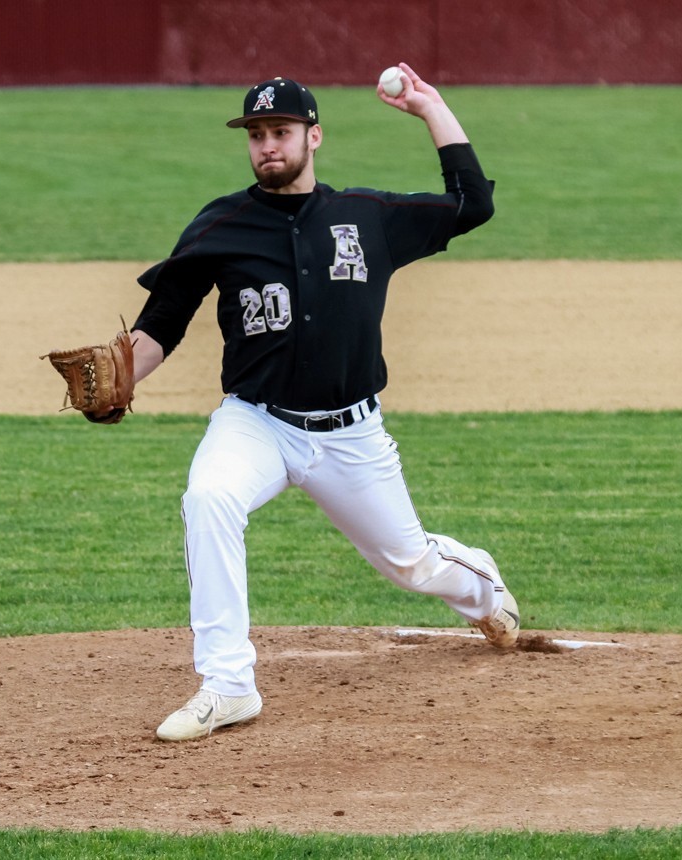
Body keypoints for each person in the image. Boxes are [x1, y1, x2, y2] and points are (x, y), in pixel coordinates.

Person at [125, 65, 517, 742]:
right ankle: (227, 685)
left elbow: (472, 203)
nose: (267, 144)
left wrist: (431, 108)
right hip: (256, 423)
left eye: (280, 131)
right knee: (208, 499)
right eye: (256, 134)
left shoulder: (367, 218)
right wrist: (123, 377)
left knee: (410, 565)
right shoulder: (222, 225)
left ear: (314, 137)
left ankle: (483, 590)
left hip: (351, 436)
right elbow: (161, 324)